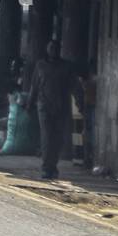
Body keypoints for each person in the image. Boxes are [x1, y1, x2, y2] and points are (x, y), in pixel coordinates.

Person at [26, 40, 81, 180]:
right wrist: (29, 103)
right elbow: (34, 86)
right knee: (46, 137)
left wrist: (80, 102)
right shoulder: (40, 66)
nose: (53, 50)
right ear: (47, 49)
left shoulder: (66, 67)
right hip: (44, 106)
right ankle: (46, 167)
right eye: (51, 47)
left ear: (59, 50)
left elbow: (75, 86)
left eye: (56, 48)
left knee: (57, 139)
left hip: (61, 107)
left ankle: (53, 166)